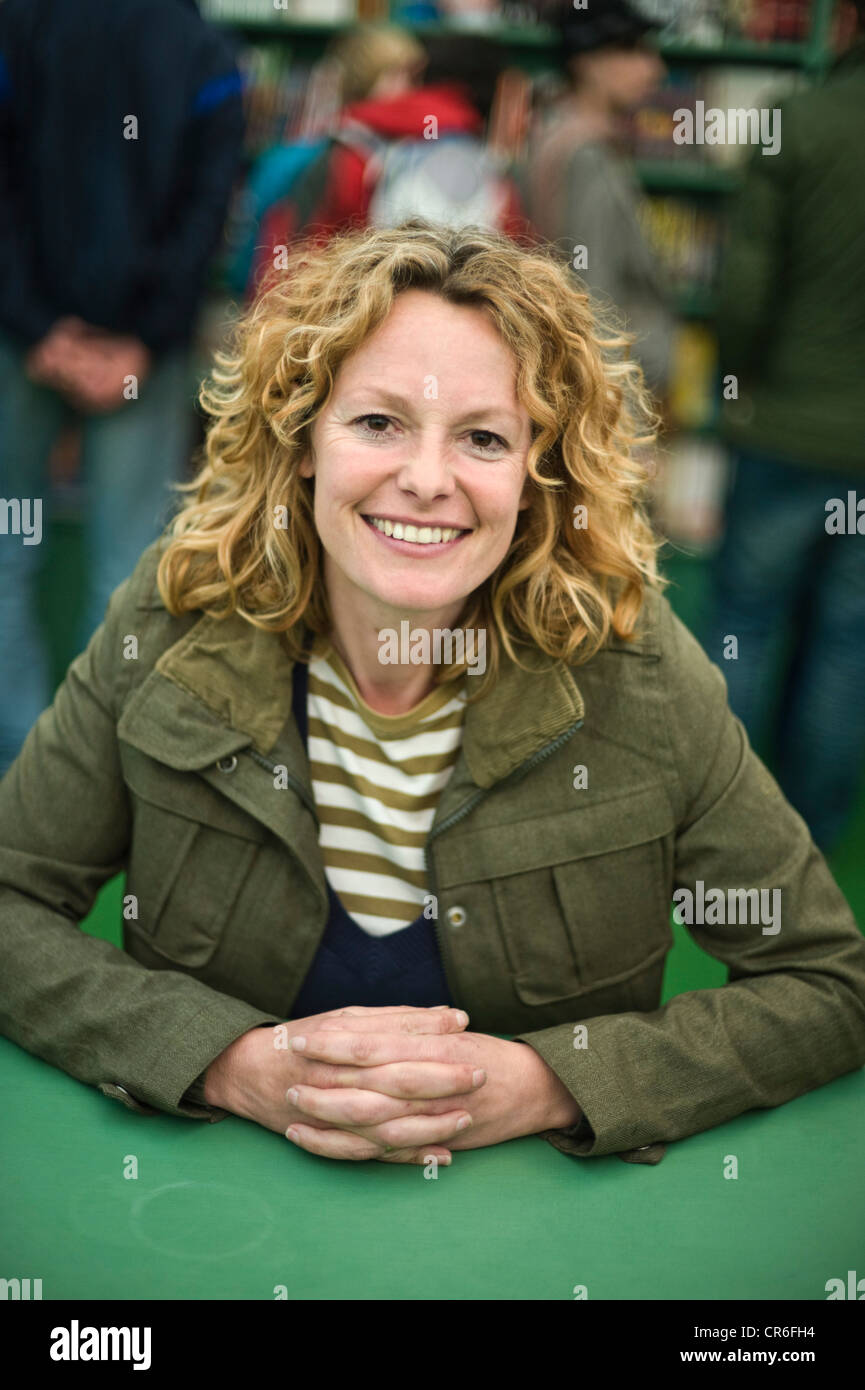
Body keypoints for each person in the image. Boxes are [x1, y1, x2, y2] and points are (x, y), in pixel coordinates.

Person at [0, 221, 863, 1169]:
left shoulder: (636, 673)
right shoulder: (173, 620)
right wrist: (226, 1063)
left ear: (537, 479)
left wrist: (549, 1085)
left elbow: (825, 983)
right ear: (301, 443)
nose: (424, 480)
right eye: (378, 423)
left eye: (483, 438)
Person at [0, 0, 245, 777]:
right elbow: (208, 212)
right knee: (130, 567)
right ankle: (91, 778)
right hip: (131, 348)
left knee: (10, 550)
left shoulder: (19, 27)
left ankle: (22, 767)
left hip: (25, 343)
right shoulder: (204, 49)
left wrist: (37, 326)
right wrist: (144, 336)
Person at [702, 0, 865, 854]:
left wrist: (741, 382)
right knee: (849, 639)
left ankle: (714, 822)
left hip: (787, 427)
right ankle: (814, 833)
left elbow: (745, 285)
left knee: (744, 621)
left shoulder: (794, 122)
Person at [527, 0, 674, 396]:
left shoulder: (556, 136)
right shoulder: (586, 154)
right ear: (587, 60)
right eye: (633, 50)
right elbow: (594, 301)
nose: (654, 69)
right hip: (609, 396)